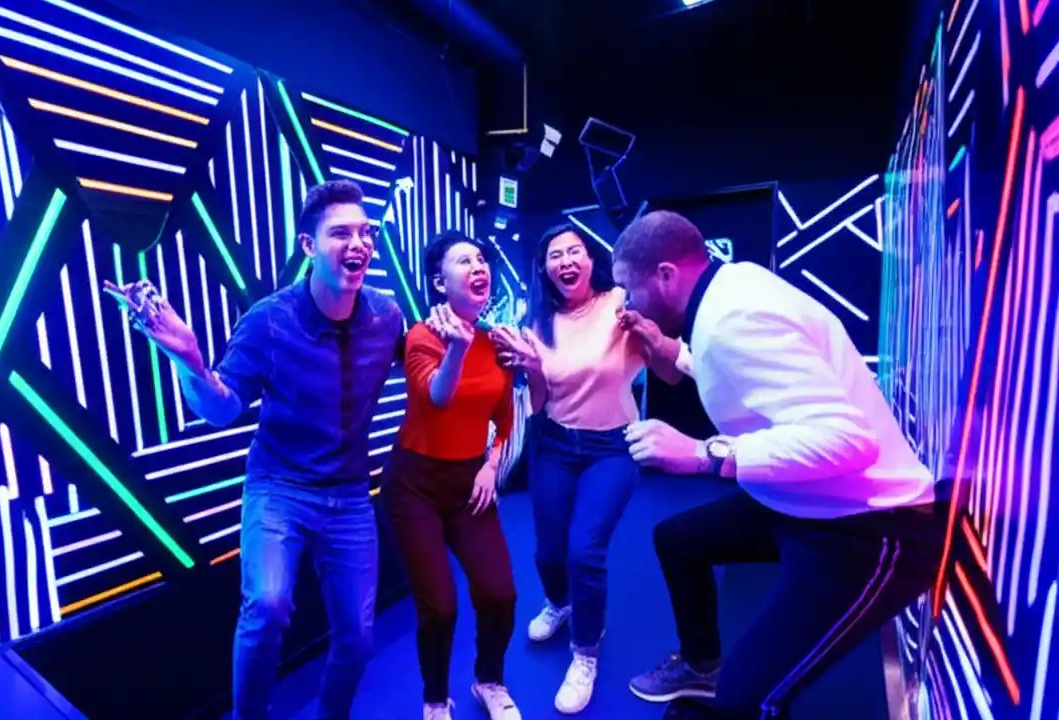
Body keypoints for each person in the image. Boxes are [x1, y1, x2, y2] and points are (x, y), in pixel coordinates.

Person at [611, 211, 943, 720]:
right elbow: (739, 373)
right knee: (678, 539)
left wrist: (703, 455)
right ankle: (702, 665)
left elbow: (848, 439)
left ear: (664, 276)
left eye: (628, 289)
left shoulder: (730, 322)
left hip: (871, 527)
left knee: (748, 698)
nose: (628, 304)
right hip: (802, 503)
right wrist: (671, 353)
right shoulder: (733, 285)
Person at [104, 180, 403, 720]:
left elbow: (428, 375)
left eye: (366, 232)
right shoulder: (269, 320)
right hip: (279, 487)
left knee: (358, 639)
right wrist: (191, 362)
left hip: (351, 496)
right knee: (266, 605)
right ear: (308, 246)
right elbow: (222, 408)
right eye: (341, 233)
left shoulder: (386, 318)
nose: (358, 243)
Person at [490, 224, 657, 714]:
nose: (565, 261)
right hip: (557, 445)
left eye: (574, 251)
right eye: (554, 255)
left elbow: (659, 350)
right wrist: (531, 368)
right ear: (544, 269)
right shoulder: (537, 321)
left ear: (590, 258)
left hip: (612, 447)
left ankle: (585, 651)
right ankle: (561, 602)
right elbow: (540, 404)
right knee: (548, 552)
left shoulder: (619, 303)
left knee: (585, 551)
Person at [385, 231, 522, 720]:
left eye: (481, 257)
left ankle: (488, 680)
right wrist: (458, 349)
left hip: (469, 482)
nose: (478, 265)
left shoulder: (497, 341)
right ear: (440, 283)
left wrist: (490, 464)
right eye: (464, 260)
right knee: (440, 606)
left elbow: (506, 418)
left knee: (500, 593)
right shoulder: (423, 335)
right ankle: (435, 701)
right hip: (414, 486)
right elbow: (437, 398)